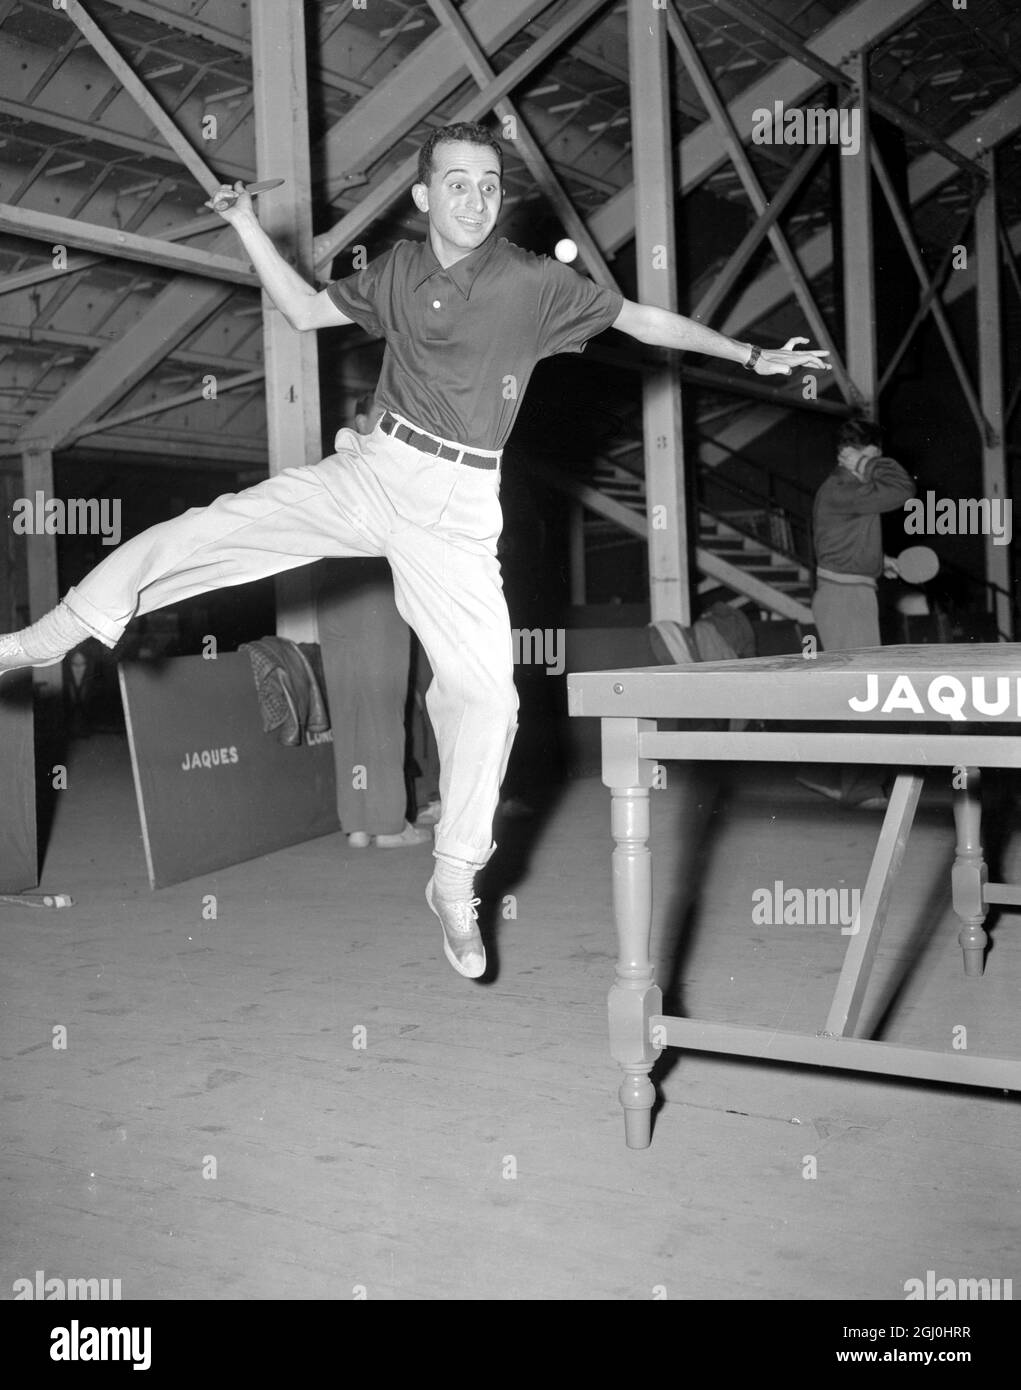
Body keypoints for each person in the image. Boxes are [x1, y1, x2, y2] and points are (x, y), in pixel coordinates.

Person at [0, 121, 830, 979]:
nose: (475, 198)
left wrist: (750, 352)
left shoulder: (531, 281)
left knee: (491, 697)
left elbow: (642, 318)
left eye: (489, 185)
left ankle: (454, 875)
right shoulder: (395, 270)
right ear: (424, 196)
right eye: (458, 182)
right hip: (376, 468)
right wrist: (245, 224)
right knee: (207, 531)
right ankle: (50, 637)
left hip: (460, 507)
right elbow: (301, 309)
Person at [316, 392, 432, 850]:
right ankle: (387, 825)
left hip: (333, 589)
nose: (387, 428)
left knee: (349, 708)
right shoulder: (394, 469)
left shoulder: (336, 466)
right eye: (380, 419)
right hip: (375, 589)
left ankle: (358, 823)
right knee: (381, 708)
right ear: (360, 420)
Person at [799, 416, 916, 809]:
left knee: (856, 693)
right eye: (872, 456)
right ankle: (860, 787)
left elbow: (841, 536)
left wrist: (877, 560)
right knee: (864, 695)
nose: (877, 464)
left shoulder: (846, 489)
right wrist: (865, 463)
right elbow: (902, 488)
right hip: (845, 599)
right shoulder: (843, 485)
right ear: (850, 455)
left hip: (850, 592)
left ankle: (836, 777)